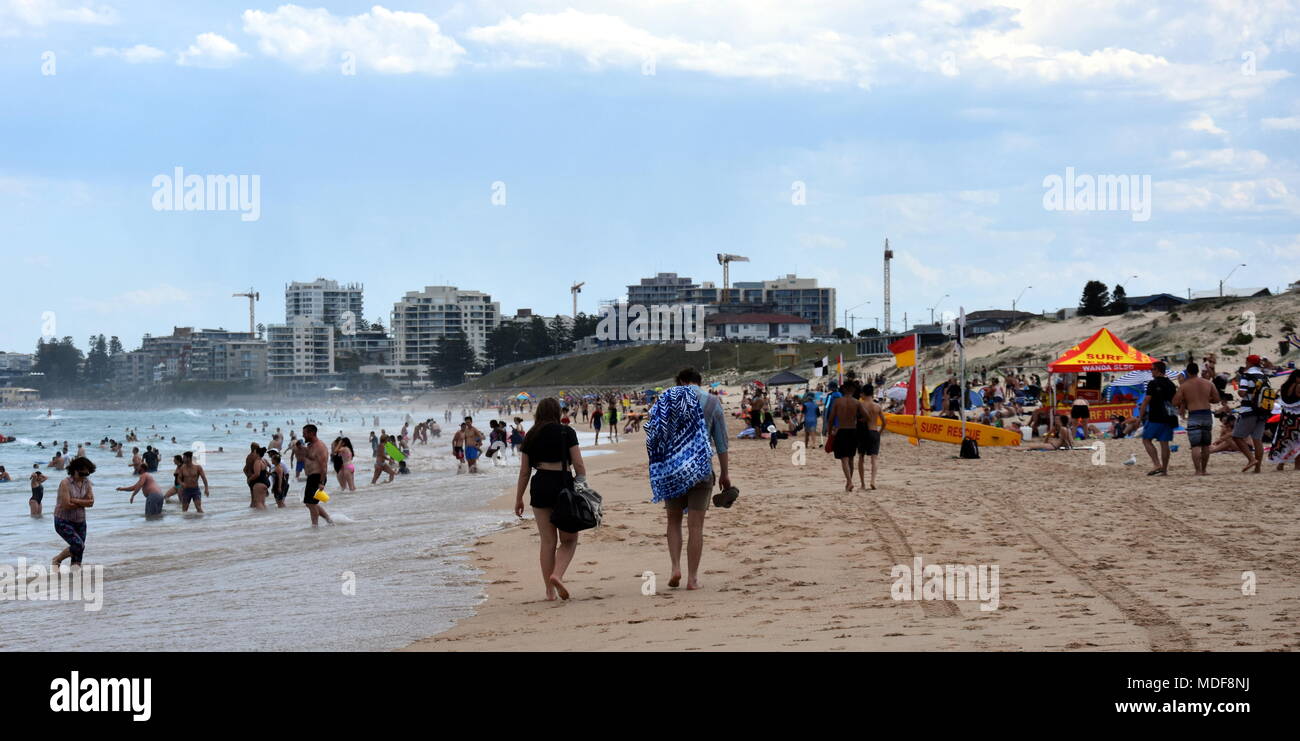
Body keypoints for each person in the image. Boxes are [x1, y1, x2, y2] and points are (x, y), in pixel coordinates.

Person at [646, 367, 731, 592]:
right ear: (697, 382)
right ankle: (692, 578)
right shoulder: (712, 402)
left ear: (681, 381)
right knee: (696, 526)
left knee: (673, 520)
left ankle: (675, 567)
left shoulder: (667, 400)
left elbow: (655, 435)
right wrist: (724, 473)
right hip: (701, 471)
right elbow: (721, 443)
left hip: (672, 471)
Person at [514, 397, 588, 600]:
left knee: (547, 541)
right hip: (563, 483)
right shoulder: (567, 431)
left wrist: (519, 498)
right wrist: (581, 487)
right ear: (557, 412)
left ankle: (549, 591)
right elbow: (579, 465)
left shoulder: (531, 435)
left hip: (540, 485)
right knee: (569, 539)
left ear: (539, 413)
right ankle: (557, 574)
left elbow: (524, 472)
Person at [1172, 361, 1220, 476]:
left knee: (1195, 445)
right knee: (1205, 445)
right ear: (1198, 371)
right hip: (1206, 413)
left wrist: (1185, 400)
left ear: (1188, 372)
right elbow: (1217, 399)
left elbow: (1174, 402)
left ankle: (1197, 470)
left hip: (1194, 414)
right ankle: (1204, 470)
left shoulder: (1184, 386)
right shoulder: (1208, 383)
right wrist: (1206, 399)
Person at [52, 457, 95, 570]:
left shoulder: (87, 483)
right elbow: (66, 505)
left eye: (87, 474)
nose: (84, 476)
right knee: (78, 545)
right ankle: (57, 559)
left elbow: (91, 502)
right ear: (74, 470)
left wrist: (75, 500)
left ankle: (74, 578)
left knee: (79, 552)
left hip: (80, 521)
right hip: (63, 521)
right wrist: (83, 502)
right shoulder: (65, 483)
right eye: (81, 473)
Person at [1232, 355, 1272, 473]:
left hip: (1249, 410)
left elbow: (1242, 393)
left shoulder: (1246, 375)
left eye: (1246, 361)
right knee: (1257, 439)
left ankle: (1251, 459)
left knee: (1237, 436)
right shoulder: (1263, 376)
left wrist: (1240, 390)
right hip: (1263, 410)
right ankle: (1257, 468)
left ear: (1249, 362)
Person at [1139, 361, 1178, 476]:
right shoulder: (1171, 384)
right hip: (1169, 417)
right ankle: (1164, 471)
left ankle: (1157, 464)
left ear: (1157, 370)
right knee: (1164, 444)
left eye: (1152, 369)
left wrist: (1139, 417)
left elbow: (1146, 401)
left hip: (1156, 416)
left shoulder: (1153, 383)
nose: (1151, 371)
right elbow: (1174, 401)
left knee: (1146, 440)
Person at [1268, 369, 1300, 470]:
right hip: (1297, 418)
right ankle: (1297, 465)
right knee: (1297, 441)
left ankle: (1281, 464)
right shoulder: (1298, 386)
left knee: (1285, 441)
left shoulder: (1284, 386)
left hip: (1286, 418)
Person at [301, 424, 333, 527]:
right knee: (309, 503)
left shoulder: (320, 447)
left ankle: (315, 526)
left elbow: (324, 466)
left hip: (317, 477)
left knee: (311, 503)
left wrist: (321, 482)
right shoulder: (310, 446)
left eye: (305, 433)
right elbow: (310, 458)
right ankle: (329, 520)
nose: (303, 435)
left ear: (312, 433)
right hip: (312, 477)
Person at [856, 385, 886, 490]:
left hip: (862, 433)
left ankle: (863, 484)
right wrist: (879, 433)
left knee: (861, 457)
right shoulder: (877, 406)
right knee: (874, 459)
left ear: (863, 394)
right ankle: (873, 481)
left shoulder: (860, 405)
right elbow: (884, 422)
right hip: (874, 432)